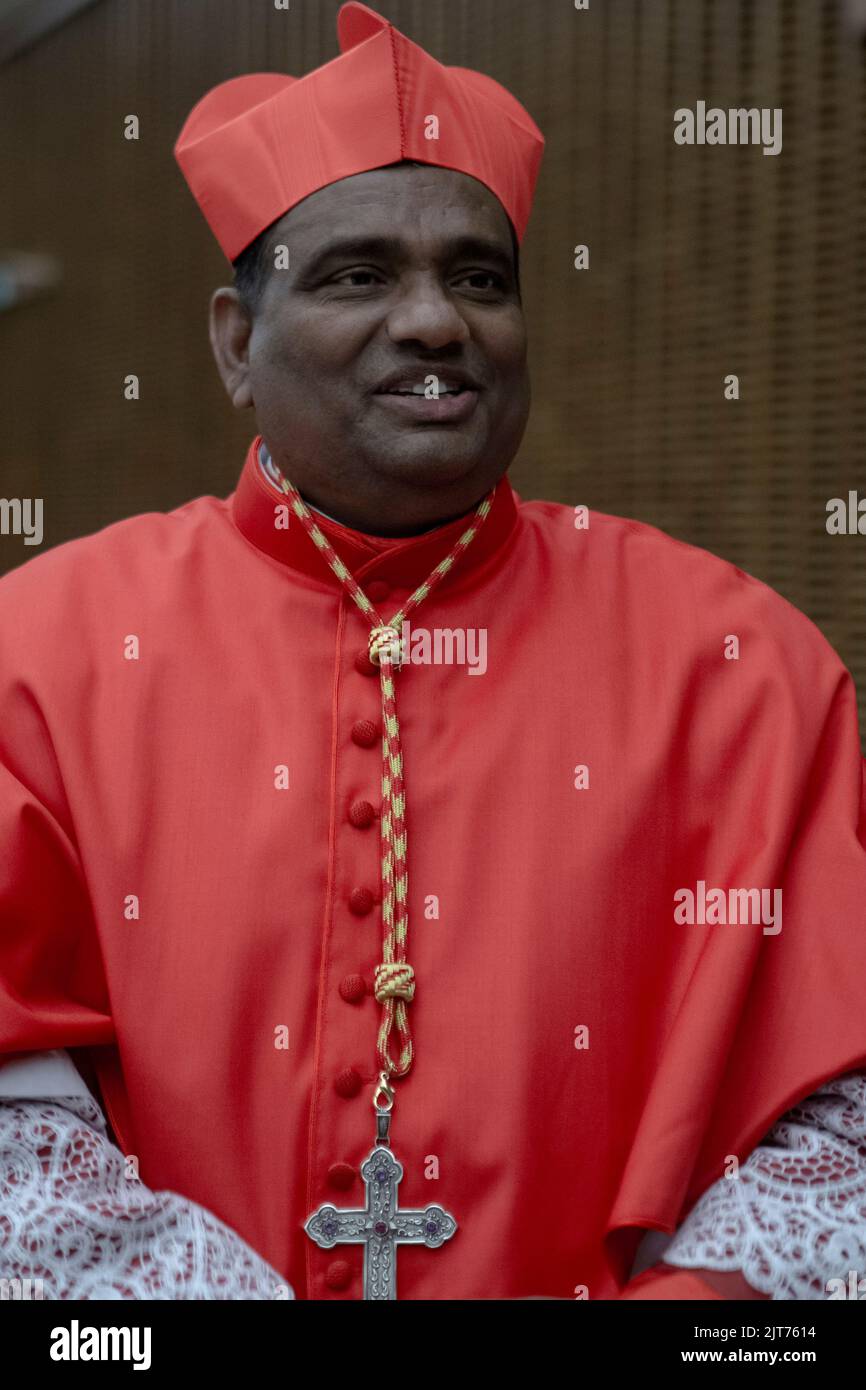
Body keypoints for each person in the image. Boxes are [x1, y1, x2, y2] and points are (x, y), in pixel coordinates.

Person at [1, 1, 865, 1302]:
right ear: (237, 343)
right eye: (356, 277)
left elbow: (836, 1136)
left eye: (478, 277)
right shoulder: (40, 655)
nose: (435, 323)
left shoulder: (743, 666)